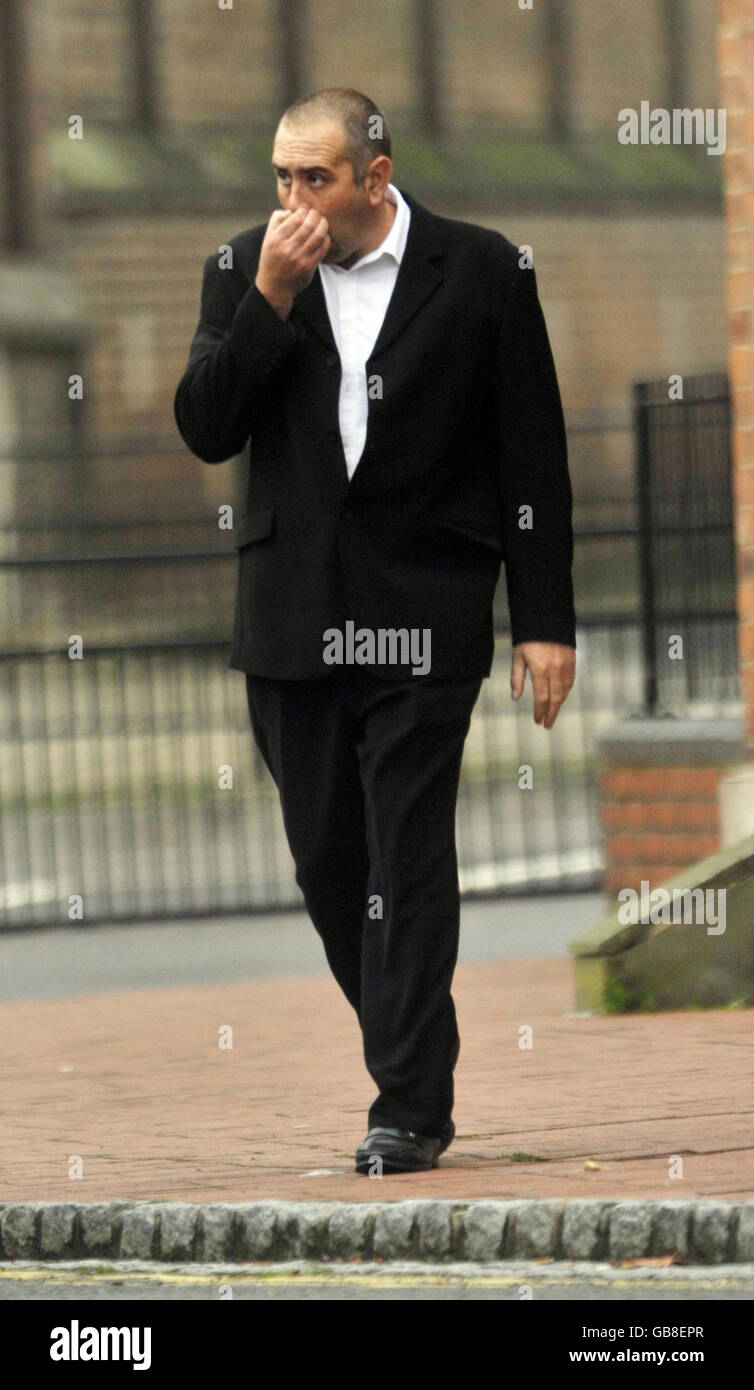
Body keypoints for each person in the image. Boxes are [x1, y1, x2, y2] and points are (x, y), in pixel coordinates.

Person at [174, 87, 577, 1175]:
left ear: (375, 176)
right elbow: (206, 424)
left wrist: (545, 621)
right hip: (291, 617)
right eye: (279, 178)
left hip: (423, 612)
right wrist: (267, 296)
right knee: (327, 863)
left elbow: (530, 453)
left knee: (405, 853)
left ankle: (405, 1102)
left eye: (315, 178)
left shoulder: (484, 268)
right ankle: (421, 1045)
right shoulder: (241, 268)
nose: (292, 198)